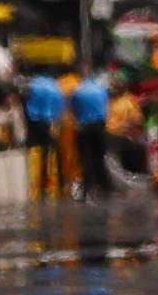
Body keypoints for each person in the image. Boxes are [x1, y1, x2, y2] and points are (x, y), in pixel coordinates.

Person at [69, 66, 113, 197]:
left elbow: (73, 110)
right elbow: (107, 106)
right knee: (100, 157)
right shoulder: (101, 90)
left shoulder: (77, 91)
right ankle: (105, 187)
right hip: (99, 126)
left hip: (84, 127)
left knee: (86, 158)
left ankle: (88, 188)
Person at [23, 72, 66, 197]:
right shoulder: (55, 86)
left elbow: (28, 104)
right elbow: (60, 106)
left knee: (36, 153)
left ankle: (36, 187)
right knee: (51, 153)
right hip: (49, 122)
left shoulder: (33, 85)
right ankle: (52, 187)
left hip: (34, 123)